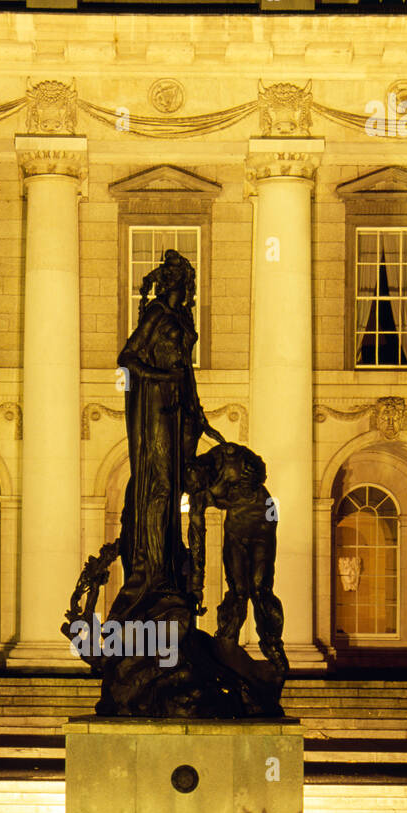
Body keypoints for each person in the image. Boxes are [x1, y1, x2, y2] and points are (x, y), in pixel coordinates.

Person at [111, 248, 222, 621]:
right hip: (155, 406)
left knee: (176, 485)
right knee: (159, 483)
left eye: (184, 278)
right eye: (177, 278)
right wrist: (161, 379)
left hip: (180, 408)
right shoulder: (157, 314)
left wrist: (197, 410)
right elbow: (128, 357)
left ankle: (171, 568)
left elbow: (186, 370)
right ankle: (151, 571)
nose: (182, 284)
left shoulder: (180, 317)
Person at [186, 442, 288, 676]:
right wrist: (197, 582)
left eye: (199, 482)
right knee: (238, 588)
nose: (199, 489)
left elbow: (260, 465)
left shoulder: (228, 454)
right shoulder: (198, 495)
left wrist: (255, 475)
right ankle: (227, 640)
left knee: (260, 587)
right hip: (235, 528)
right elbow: (197, 536)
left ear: (201, 468)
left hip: (263, 519)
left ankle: (273, 647)